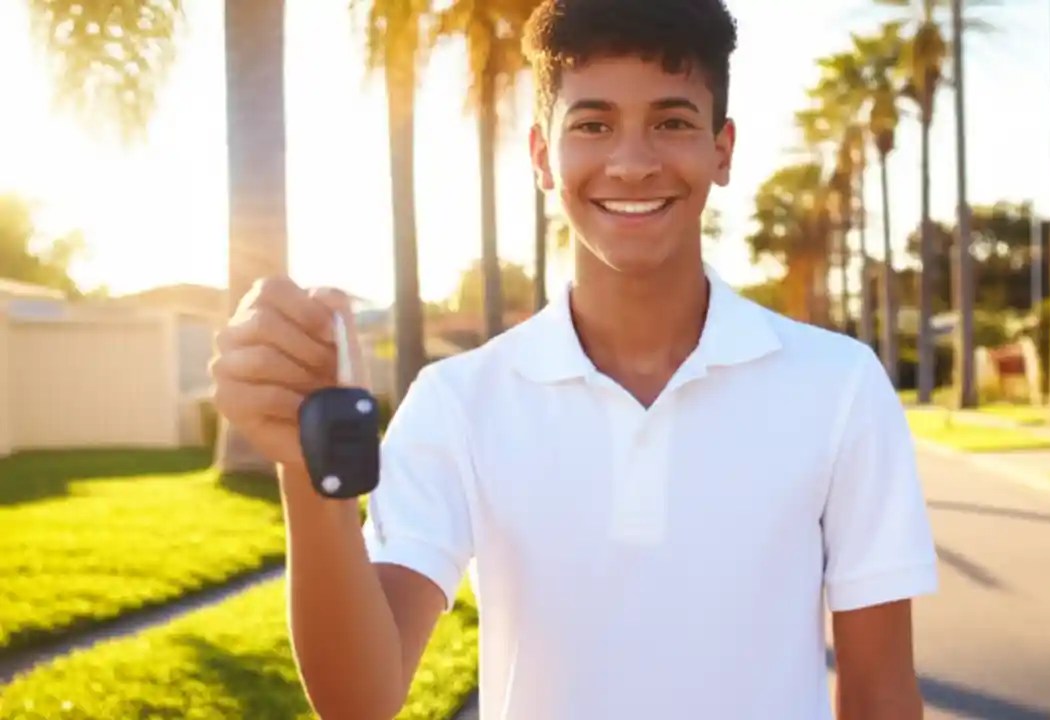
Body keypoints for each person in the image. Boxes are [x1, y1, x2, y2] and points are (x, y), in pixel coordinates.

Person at [209, 0, 938, 717]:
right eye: (593, 124)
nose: (631, 162)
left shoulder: (838, 387)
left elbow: (879, 697)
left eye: (671, 122)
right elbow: (359, 700)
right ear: (541, 156)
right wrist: (311, 479)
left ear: (722, 151)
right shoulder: (458, 401)